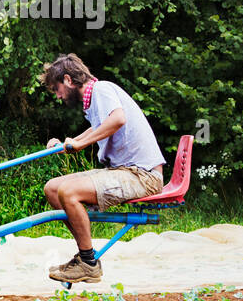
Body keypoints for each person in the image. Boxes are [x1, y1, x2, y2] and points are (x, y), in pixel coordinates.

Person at [40, 54, 166, 283]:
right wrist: (66, 144)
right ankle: (85, 255)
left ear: (68, 80)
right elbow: (97, 128)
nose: (58, 96)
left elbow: (118, 119)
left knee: (69, 192)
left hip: (143, 175)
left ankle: (88, 263)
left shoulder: (102, 89)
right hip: (124, 171)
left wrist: (80, 143)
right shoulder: (94, 101)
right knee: (52, 188)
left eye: (56, 88)